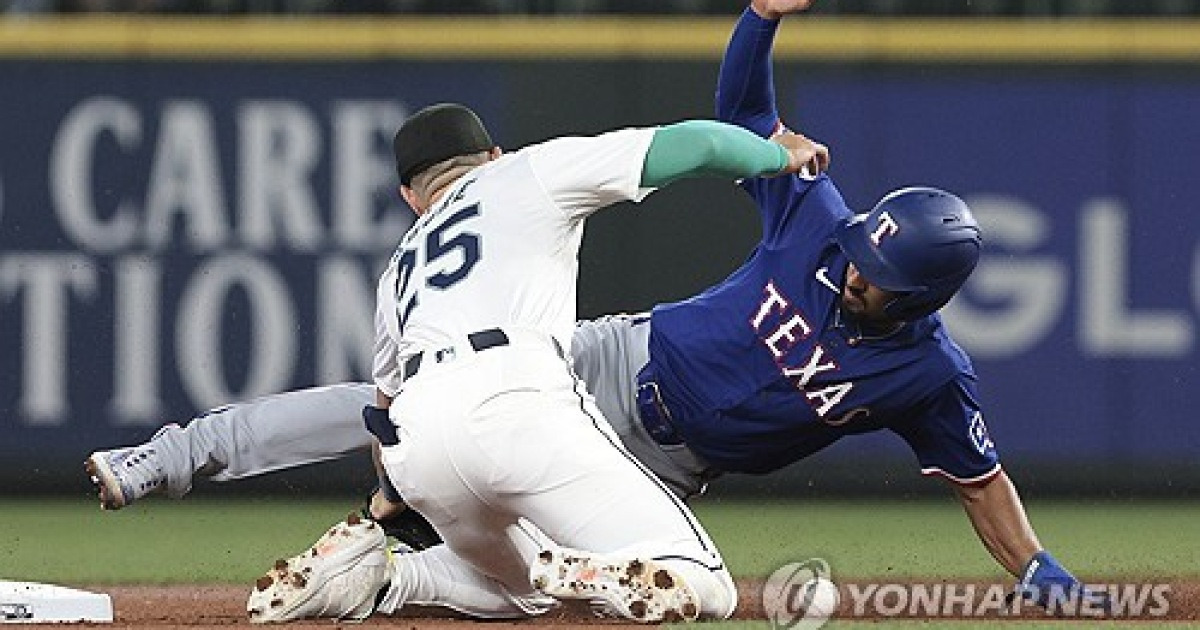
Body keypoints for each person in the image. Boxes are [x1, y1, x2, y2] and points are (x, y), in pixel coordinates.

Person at [87, 0, 1102, 620]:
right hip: (602, 367)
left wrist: (1041, 574)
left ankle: (385, 577)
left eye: (875, 270)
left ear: (918, 297)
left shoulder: (927, 376)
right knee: (419, 420)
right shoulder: (819, 225)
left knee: (521, 588)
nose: (853, 266)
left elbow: (981, 482)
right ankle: (192, 462)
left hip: (669, 460)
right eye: (861, 246)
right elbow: (741, 117)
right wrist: (760, 19)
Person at [232, 100, 818, 624]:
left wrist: (387, 498)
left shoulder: (399, 269)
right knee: (705, 584)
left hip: (421, 444)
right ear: (493, 154)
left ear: (411, 197)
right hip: (516, 398)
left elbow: (383, 415)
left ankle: (378, 577)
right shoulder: (526, 170)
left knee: (524, 592)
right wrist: (776, 155)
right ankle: (597, 566)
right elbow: (701, 144)